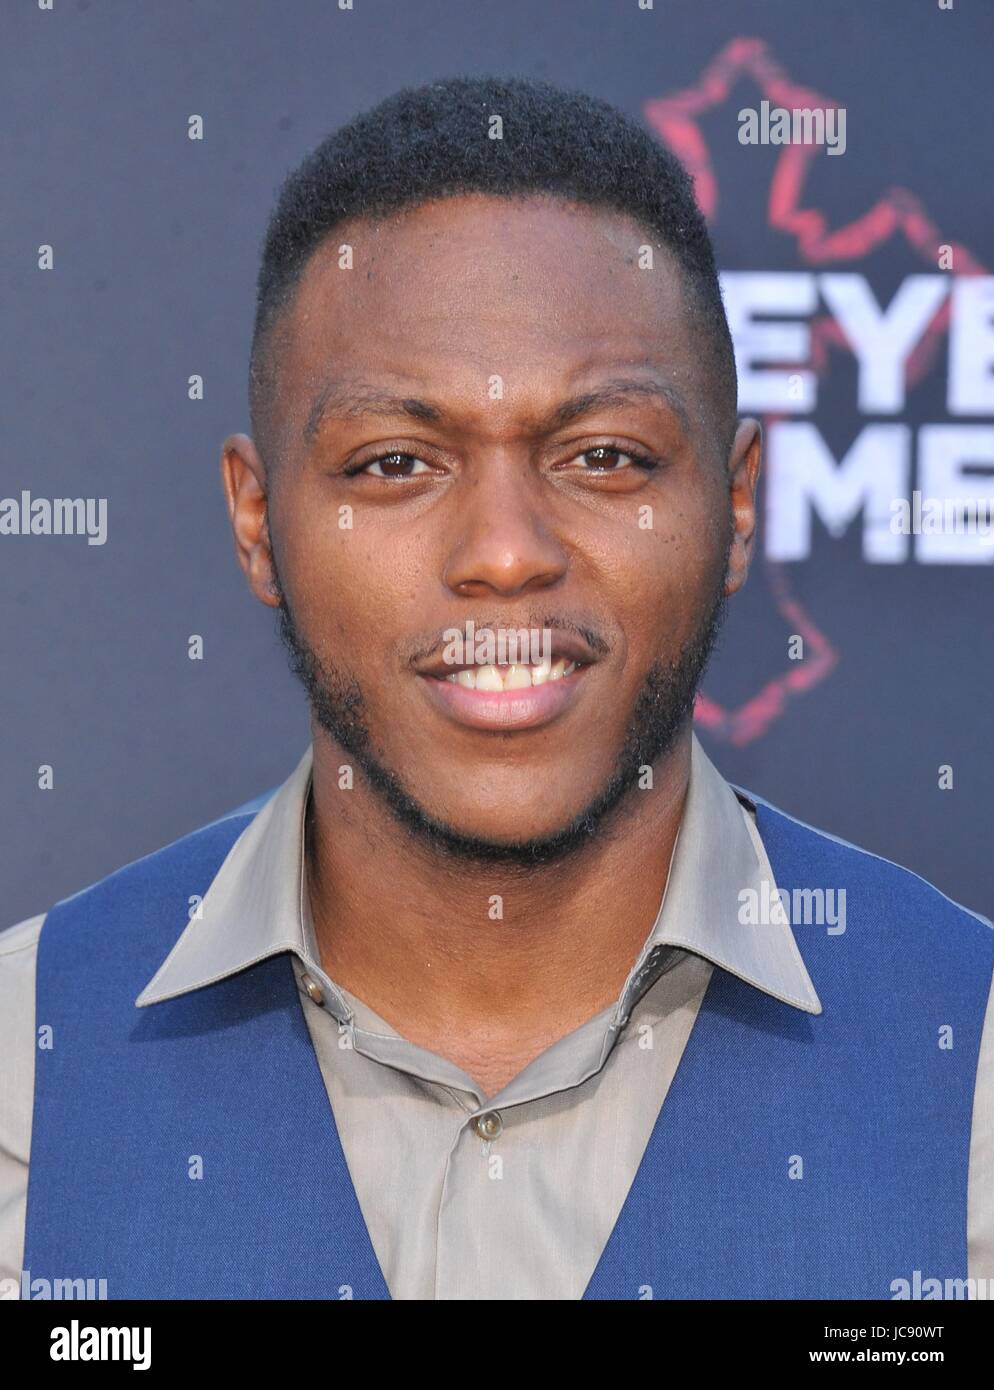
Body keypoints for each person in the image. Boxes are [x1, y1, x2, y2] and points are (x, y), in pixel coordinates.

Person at [2, 74, 991, 1302]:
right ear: (258, 523)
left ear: (737, 501)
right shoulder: (24, 1072)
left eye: (605, 455)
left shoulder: (974, 1067)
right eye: (397, 462)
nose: (508, 549)